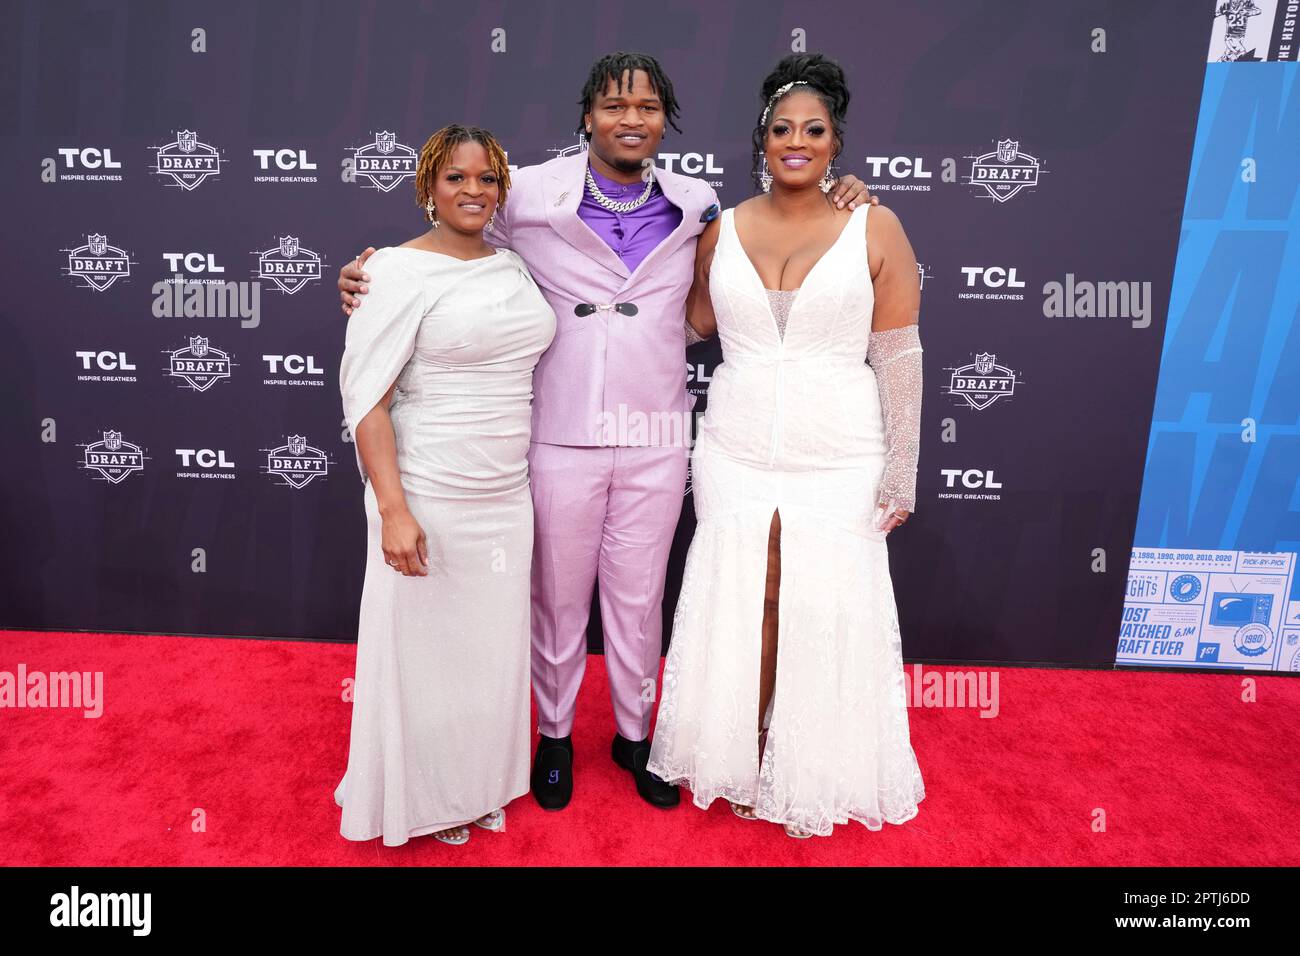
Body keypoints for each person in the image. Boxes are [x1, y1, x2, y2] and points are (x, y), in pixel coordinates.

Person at [338, 52, 875, 812]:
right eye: (615, 105)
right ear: (587, 115)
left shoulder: (697, 204)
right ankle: (554, 736)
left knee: (638, 599)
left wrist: (845, 189)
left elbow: (733, 271)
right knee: (556, 602)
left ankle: (634, 735)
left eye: (648, 106)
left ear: (665, 121)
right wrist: (371, 272)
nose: (632, 118)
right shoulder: (522, 190)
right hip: (557, 433)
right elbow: (449, 235)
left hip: (656, 431)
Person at [646, 53, 926, 838]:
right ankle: (740, 751)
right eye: (781, 129)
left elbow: (899, 353)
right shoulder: (721, 228)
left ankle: (808, 763)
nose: (795, 142)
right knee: (748, 595)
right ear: (760, 140)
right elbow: (694, 322)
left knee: (819, 600)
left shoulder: (875, 225)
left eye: (814, 130)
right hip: (734, 444)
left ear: (837, 144)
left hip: (839, 448)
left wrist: (901, 468)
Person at [334, 124, 556, 846]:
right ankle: (420, 796)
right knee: (424, 656)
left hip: (504, 495)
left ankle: (477, 784)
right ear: (428, 187)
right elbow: (368, 400)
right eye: (456, 178)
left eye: (487, 179)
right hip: (428, 492)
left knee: (487, 653)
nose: (473, 191)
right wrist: (393, 510)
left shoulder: (514, 267)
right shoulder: (394, 271)